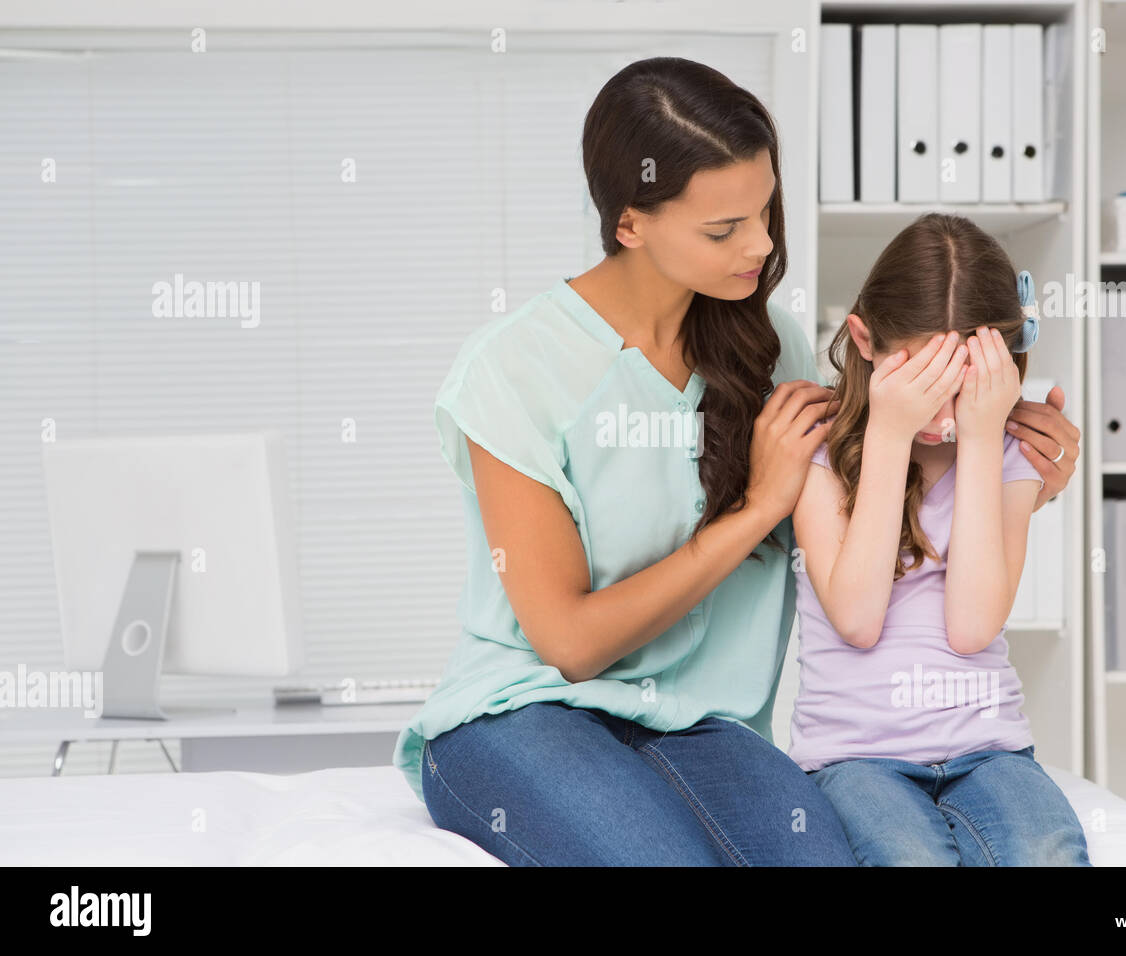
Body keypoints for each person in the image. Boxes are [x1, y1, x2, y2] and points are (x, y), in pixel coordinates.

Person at [393, 57, 1082, 866]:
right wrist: (756, 509)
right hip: (525, 712)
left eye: (765, 212)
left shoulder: (774, 347)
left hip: (704, 725)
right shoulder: (513, 370)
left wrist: (1017, 471)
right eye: (723, 230)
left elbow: (875, 479)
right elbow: (573, 644)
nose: (759, 245)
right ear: (630, 223)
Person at [790, 213, 1091, 866]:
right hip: (855, 755)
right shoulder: (817, 452)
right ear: (865, 341)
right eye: (924, 386)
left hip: (988, 745)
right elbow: (858, 618)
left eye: (966, 390)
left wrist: (985, 437)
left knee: (1050, 855)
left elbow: (973, 627)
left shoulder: (1004, 450)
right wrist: (890, 436)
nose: (946, 416)